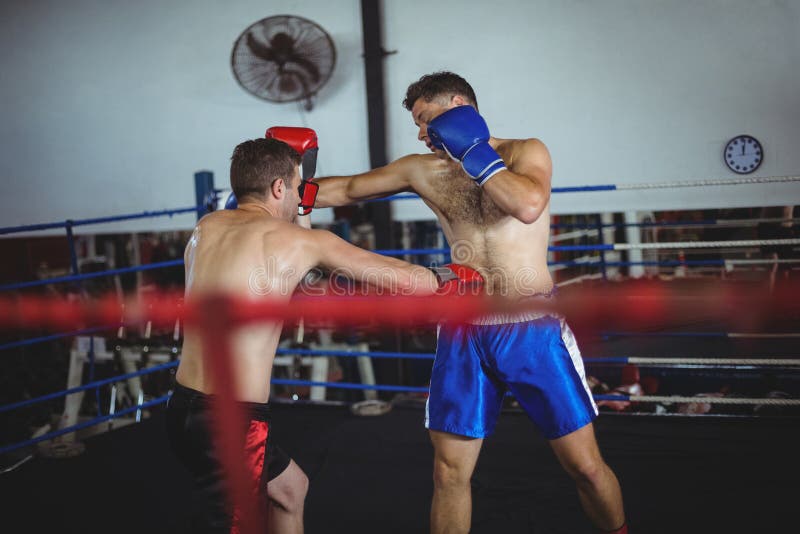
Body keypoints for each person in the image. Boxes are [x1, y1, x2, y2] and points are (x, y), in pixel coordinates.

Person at [314, 72, 627, 533]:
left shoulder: (524, 152)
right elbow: (346, 189)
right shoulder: (422, 169)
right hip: (464, 327)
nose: (421, 134)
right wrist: (280, 190)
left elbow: (528, 205)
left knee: (585, 467)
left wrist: (473, 150)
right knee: (448, 473)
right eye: (417, 125)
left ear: (458, 106)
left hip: (531, 325)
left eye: (425, 120)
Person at [165, 131, 448, 533]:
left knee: (290, 490)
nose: (303, 195)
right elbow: (405, 279)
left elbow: (281, 261)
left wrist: (298, 199)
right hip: (232, 423)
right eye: (299, 187)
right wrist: (459, 276)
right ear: (279, 187)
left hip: (182, 406)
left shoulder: (206, 228)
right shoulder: (302, 242)